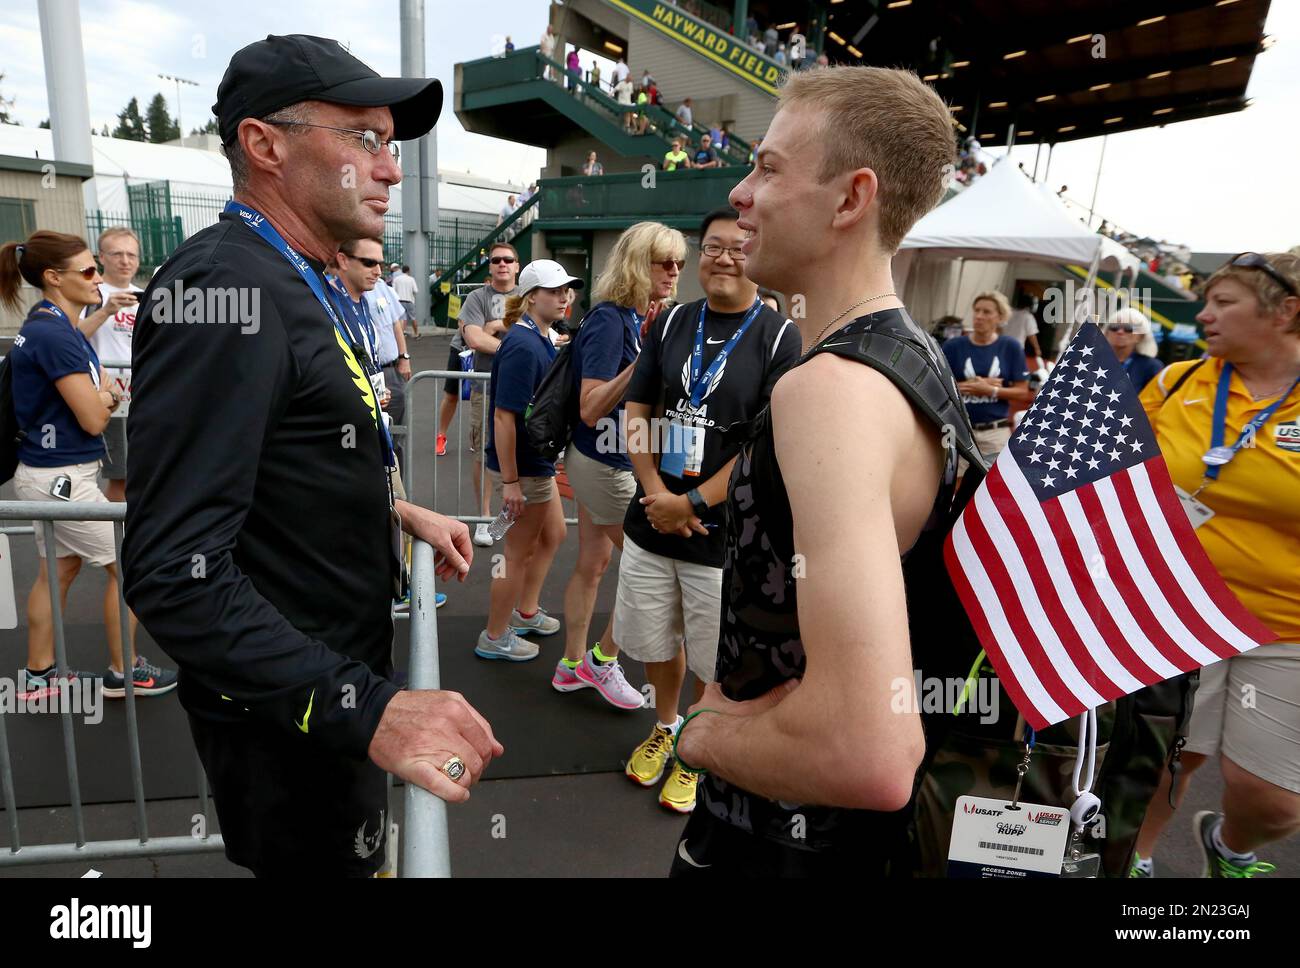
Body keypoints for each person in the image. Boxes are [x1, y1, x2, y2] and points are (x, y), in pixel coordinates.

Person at [122, 34, 501, 878]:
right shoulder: (225, 290)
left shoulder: (288, 274)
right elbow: (174, 574)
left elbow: (280, 460)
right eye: (365, 140)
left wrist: (394, 506)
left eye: (391, 146)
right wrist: (369, 710)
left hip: (325, 688)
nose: (392, 170)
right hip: (292, 717)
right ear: (265, 146)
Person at [669, 65, 962, 876]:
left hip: (783, 849)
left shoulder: (830, 390)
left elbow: (865, 748)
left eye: (767, 167)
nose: (741, 193)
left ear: (850, 199)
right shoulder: (911, 358)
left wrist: (699, 736)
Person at [619, 208, 800, 812]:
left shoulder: (780, 336)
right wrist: (655, 493)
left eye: (737, 248)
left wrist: (691, 502)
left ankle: (697, 743)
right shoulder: (672, 321)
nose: (723, 257)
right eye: (713, 247)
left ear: (757, 255)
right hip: (653, 518)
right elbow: (638, 408)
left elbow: (763, 444)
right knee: (652, 639)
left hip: (720, 531)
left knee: (711, 651)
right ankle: (666, 726)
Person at [1130, 252, 1300, 879]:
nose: (1204, 313)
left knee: (1275, 800)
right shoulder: (1179, 382)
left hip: (1288, 624)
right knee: (1173, 759)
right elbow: (1122, 478)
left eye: (1224, 302)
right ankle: (1135, 858)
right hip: (1182, 608)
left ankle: (1230, 844)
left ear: (1286, 311)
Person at [1, 230, 176, 701]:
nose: (98, 276)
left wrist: (98, 390)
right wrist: (107, 395)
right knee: (132, 566)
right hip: (60, 478)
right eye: (89, 270)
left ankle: (39, 677)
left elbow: (69, 357)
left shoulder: (48, 321)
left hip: (47, 474)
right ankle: (124, 671)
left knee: (57, 572)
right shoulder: (52, 331)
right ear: (54, 278)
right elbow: (94, 418)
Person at [557, 222, 685, 711]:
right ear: (637, 263)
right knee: (650, 569)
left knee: (594, 564)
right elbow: (591, 406)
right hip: (603, 463)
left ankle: (572, 665)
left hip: (606, 460)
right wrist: (645, 359)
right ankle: (600, 659)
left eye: (677, 262)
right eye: (663, 262)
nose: (674, 272)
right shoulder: (612, 320)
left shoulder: (637, 316)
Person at [474, 260, 581, 661]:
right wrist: (511, 482)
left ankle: (525, 612)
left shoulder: (538, 337)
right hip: (524, 467)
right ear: (531, 296)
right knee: (513, 555)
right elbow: (504, 417)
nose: (564, 296)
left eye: (566, 290)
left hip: (535, 464)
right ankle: (495, 634)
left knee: (554, 535)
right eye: (555, 291)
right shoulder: (522, 345)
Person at [460, 241, 520, 546]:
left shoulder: (526, 296)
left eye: (508, 259)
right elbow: (473, 337)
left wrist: (496, 326)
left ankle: (511, 514)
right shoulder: (476, 297)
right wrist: (516, 346)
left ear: (516, 265)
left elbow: (541, 332)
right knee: (484, 450)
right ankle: (483, 519)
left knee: (521, 450)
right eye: (496, 260)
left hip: (523, 385)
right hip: (486, 384)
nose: (502, 264)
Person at [77, 226, 141, 503]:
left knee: (148, 474)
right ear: (101, 257)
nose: (125, 261)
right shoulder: (92, 293)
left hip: (145, 395)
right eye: (117, 254)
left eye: (131, 254)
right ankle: (118, 543)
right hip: (111, 399)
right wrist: (106, 311)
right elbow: (69, 337)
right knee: (121, 477)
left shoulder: (148, 294)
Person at [337, 238, 413, 469]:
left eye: (380, 263)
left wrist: (404, 357)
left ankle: (394, 494)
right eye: (369, 262)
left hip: (384, 374)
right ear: (343, 260)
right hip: (354, 393)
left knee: (393, 439)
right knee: (359, 449)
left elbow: (395, 324)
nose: (378, 271)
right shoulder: (333, 299)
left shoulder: (377, 290)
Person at [941, 291, 1031, 472]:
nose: (979, 316)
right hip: (957, 430)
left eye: (987, 312)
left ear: (1000, 317)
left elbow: (1023, 391)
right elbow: (938, 385)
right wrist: (971, 386)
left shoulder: (1010, 347)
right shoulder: (953, 346)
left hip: (995, 432)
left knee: (992, 488)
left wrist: (991, 390)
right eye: (977, 310)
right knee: (950, 487)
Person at [1105, 306, 1163, 393]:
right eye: (1114, 327)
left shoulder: (1150, 367)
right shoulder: (1090, 360)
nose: (1120, 332)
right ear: (1106, 333)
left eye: (1129, 328)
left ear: (1141, 336)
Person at [1003, 290, 1043, 358]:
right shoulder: (1028, 317)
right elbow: (1032, 335)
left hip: (1002, 344)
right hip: (1016, 347)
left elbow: (998, 328)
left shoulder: (1008, 313)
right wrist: (1037, 348)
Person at [390, 262, 420, 339]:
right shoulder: (411, 279)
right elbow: (415, 290)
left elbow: (393, 290)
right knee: (413, 318)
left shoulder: (396, 279)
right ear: (408, 271)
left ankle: (402, 334)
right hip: (409, 300)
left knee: (402, 318)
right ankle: (416, 333)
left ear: (402, 270)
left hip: (399, 301)